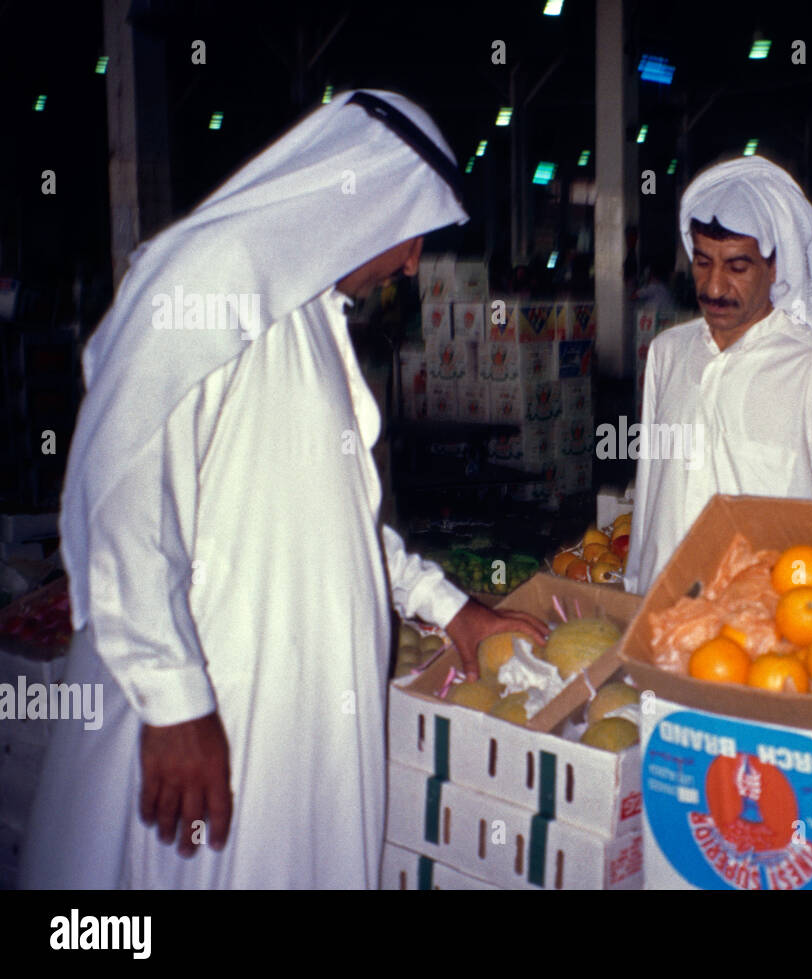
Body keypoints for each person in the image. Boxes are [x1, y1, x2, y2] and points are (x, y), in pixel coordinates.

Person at [20, 90, 547, 890]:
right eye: (412, 234)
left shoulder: (306, 313)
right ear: (363, 196)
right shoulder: (205, 278)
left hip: (294, 707)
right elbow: (122, 491)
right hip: (224, 695)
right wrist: (173, 701)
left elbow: (336, 512)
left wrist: (451, 607)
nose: (411, 263)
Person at [623, 156, 812, 594]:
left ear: (776, 267)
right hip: (666, 616)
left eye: (737, 267)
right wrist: (636, 591)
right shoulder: (668, 353)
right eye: (702, 263)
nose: (714, 287)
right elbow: (649, 492)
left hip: (767, 634)